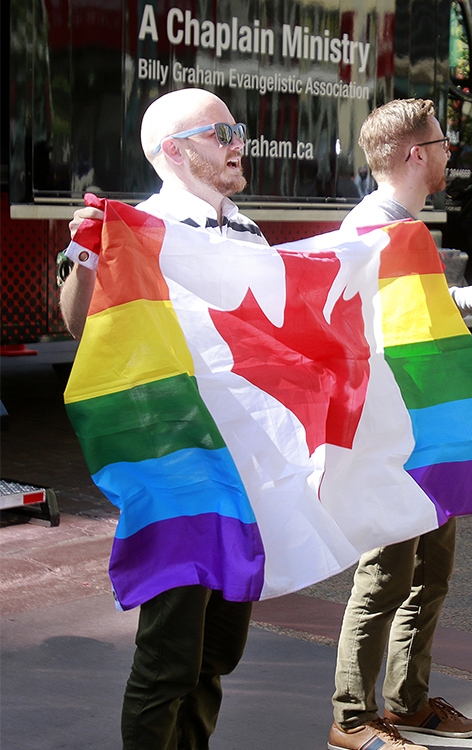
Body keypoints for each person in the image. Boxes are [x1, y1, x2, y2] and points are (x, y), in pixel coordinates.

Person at [60, 88, 262, 750]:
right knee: (170, 657)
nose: (238, 143)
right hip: (175, 463)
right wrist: (86, 258)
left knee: (217, 653)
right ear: (174, 152)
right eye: (221, 132)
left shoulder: (246, 227)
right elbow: (79, 325)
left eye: (238, 129)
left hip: (241, 465)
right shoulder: (137, 228)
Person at [328, 99, 472, 750]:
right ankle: (353, 720)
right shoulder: (377, 230)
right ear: (417, 154)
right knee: (385, 575)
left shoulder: (399, 227)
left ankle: (407, 702)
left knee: (428, 574)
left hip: (423, 432)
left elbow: (420, 314)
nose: (450, 152)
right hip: (395, 437)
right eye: (443, 142)